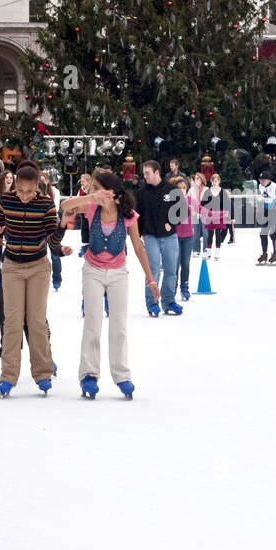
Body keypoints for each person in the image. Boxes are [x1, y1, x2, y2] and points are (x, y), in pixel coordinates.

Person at [0, 161, 69, 396]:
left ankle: (43, 373)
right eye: (20, 190)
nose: (24, 196)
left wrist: (61, 241)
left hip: (38, 267)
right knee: (12, 321)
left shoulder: (45, 204)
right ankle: (8, 375)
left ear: (37, 187)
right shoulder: (6, 201)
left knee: (36, 321)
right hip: (12, 267)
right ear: (15, 186)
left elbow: (51, 238)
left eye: (29, 191)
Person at [61, 169, 160, 400]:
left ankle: (122, 375)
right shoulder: (91, 207)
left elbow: (138, 247)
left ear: (111, 191)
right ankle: (89, 374)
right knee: (93, 322)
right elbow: (66, 205)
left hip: (118, 273)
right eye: (91, 188)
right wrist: (90, 198)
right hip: (93, 270)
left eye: (97, 188)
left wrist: (151, 279)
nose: (92, 192)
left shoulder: (128, 214)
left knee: (119, 326)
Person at [135, 160, 183, 314]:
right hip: (150, 237)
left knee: (171, 270)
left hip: (170, 237)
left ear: (157, 173)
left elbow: (183, 211)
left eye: (147, 173)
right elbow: (137, 216)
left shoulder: (172, 189)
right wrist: (138, 237)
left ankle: (169, 301)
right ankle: (152, 303)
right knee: (153, 271)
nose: (145, 176)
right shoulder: (141, 193)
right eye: (144, 173)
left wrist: (172, 222)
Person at [172, 176, 194, 300]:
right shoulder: (172, 202)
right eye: (179, 188)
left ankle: (184, 287)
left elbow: (203, 210)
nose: (182, 190)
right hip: (175, 237)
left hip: (189, 237)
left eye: (184, 188)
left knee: (185, 263)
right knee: (175, 264)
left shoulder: (190, 200)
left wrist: (221, 214)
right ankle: (173, 287)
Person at [200, 171, 229, 260]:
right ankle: (208, 251)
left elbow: (227, 204)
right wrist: (204, 212)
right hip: (210, 215)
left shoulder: (223, 192)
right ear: (211, 182)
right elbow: (203, 203)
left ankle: (217, 251)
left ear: (219, 181)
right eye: (213, 181)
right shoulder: (208, 191)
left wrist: (228, 214)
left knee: (218, 234)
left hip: (220, 215)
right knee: (210, 234)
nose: (214, 182)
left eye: (216, 181)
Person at [255, 170, 276, 265]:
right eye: (260, 180)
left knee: (272, 233)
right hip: (267, 211)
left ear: (269, 180)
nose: (261, 182)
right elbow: (263, 198)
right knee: (262, 233)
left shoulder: (275, 187)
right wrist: (259, 206)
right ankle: (264, 253)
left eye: (263, 180)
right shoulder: (260, 186)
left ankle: (275, 254)